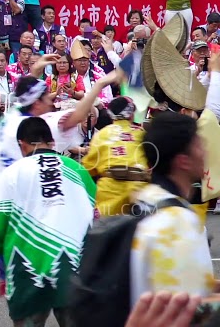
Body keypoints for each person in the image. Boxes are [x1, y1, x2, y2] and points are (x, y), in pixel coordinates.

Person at [0, 116, 95, 327]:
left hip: (29, 267)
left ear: (22, 144)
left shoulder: (12, 173)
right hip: (74, 266)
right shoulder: (78, 171)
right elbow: (93, 212)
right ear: (51, 142)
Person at [129, 111, 213, 301]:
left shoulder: (146, 198)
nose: (205, 152)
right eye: (200, 145)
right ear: (183, 161)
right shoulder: (179, 222)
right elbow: (189, 307)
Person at [81, 96, 147, 217]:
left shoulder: (101, 135)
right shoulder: (141, 134)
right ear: (131, 114)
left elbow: (88, 168)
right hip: (141, 192)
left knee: (104, 231)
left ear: (110, 115)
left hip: (110, 192)